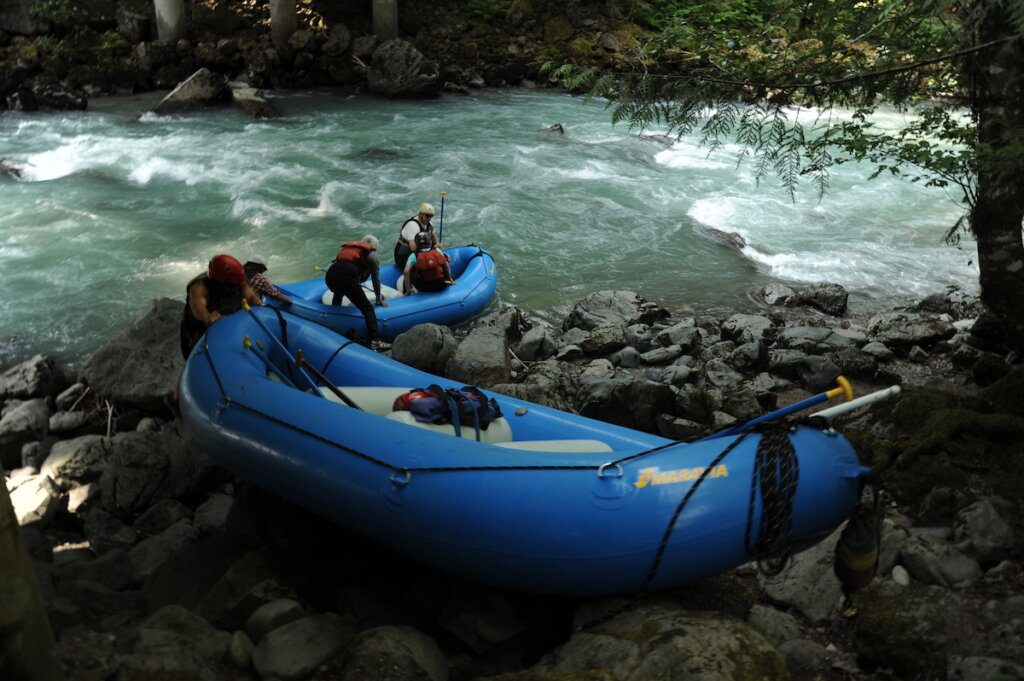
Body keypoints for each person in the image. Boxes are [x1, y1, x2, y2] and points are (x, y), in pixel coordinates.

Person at [180, 254, 263, 359]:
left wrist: (259, 305)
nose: (236, 288)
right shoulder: (199, 287)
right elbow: (197, 306)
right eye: (232, 286)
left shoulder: (237, 281)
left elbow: (250, 296)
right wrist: (208, 317)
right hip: (200, 330)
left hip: (229, 321)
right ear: (220, 282)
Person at [325, 234, 389, 348]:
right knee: (368, 309)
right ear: (374, 247)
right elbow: (375, 278)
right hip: (347, 277)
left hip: (330, 276)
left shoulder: (351, 249)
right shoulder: (372, 254)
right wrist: (378, 298)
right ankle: (375, 341)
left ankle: (333, 327)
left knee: (338, 294)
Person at [403, 231, 454, 295]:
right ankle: (448, 281)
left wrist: (408, 290)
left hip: (424, 288)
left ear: (416, 243)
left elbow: (406, 271)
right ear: (430, 241)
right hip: (442, 285)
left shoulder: (414, 255)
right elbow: (446, 267)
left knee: (411, 273)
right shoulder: (437, 250)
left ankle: (407, 292)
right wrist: (450, 280)